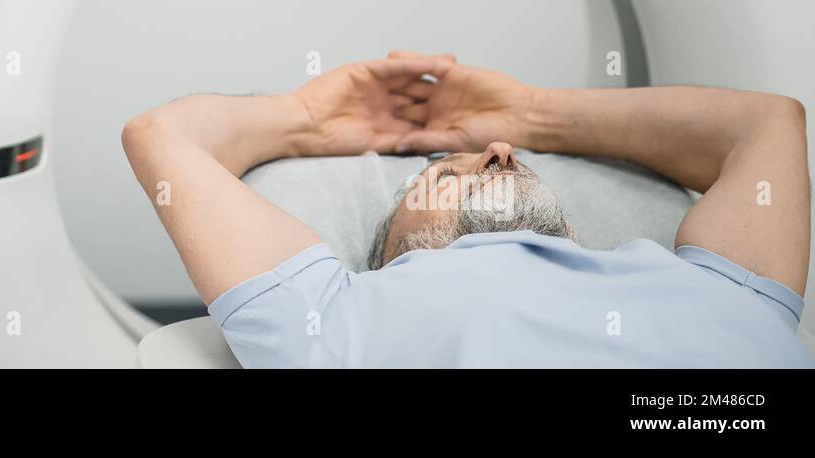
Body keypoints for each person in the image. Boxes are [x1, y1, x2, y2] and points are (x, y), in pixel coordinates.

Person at [122, 51, 813, 367]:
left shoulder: (723, 290)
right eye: (449, 171)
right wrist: (304, 119)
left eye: (513, 155)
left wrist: (531, 112)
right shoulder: (330, 319)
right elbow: (162, 139)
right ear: (390, 247)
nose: (501, 151)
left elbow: (769, 123)